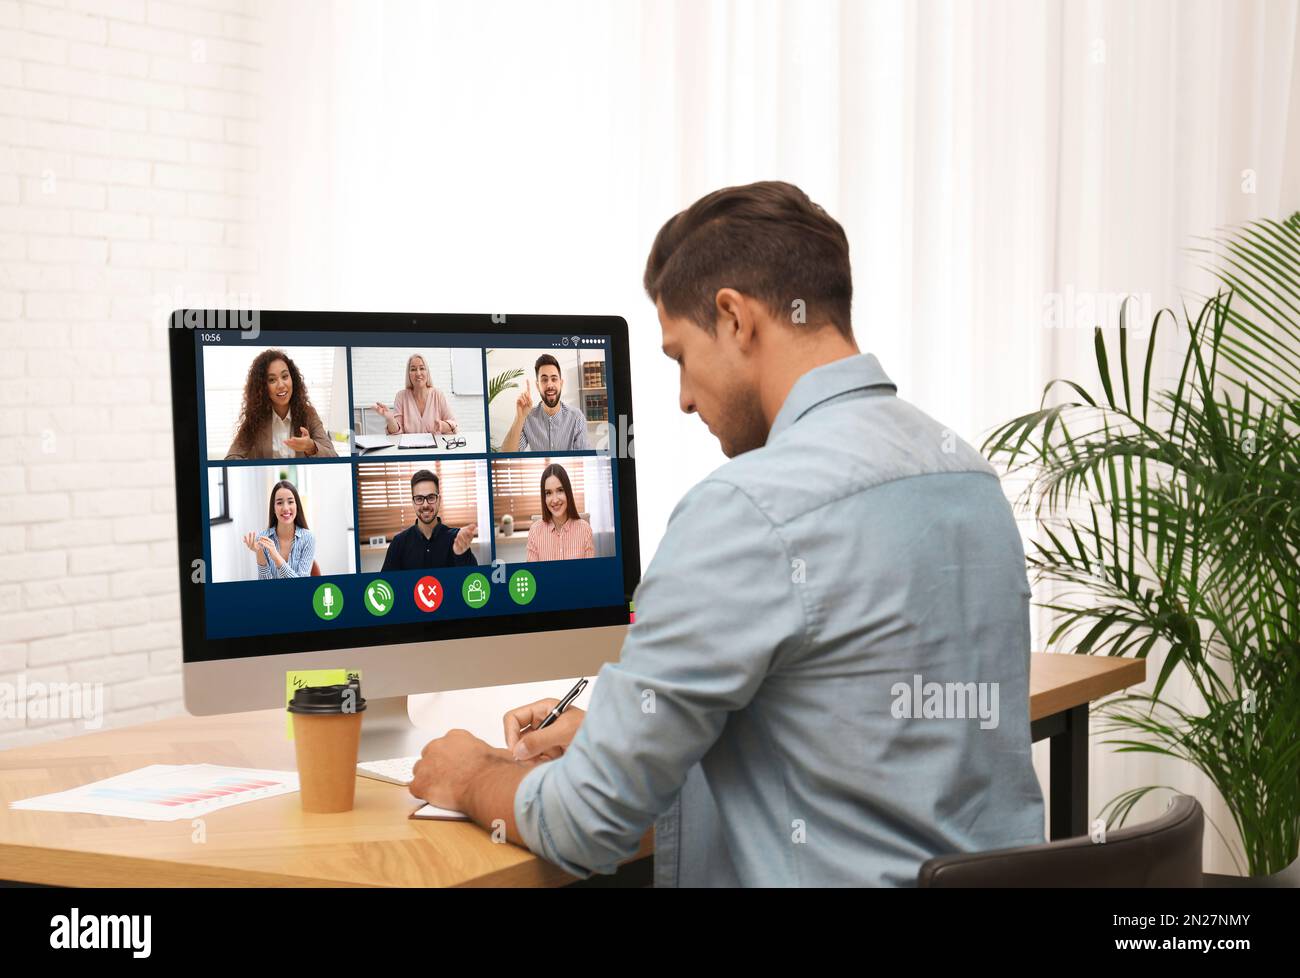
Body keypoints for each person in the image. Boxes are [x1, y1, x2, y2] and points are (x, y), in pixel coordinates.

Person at [409, 181, 1045, 886]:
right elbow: (864, 731)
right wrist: (620, 735)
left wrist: (469, 777)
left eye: (680, 356)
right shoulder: (967, 477)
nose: (682, 398)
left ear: (735, 318)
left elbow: (587, 825)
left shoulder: (747, 508)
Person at [225, 349, 337, 459]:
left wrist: (311, 447)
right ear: (263, 387)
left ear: (292, 378)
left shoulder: (309, 414)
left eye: (285, 376)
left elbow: (334, 456)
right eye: (272, 380)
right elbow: (231, 457)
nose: (281, 385)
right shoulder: (256, 418)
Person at [380, 469, 478, 570]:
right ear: (413, 502)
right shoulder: (399, 543)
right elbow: (385, 584)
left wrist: (461, 554)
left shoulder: (457, 539)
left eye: (431, 497)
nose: (425, 505)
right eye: (419, 499)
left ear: (439, 500)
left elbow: (474, 580)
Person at [500, 355, 591, 452]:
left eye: (554, 379)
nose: (549, 384)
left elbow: (583, 457)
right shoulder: (527, 417)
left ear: (561, 383)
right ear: (537, 385)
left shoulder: (577, 417)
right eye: (544, 380)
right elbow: (506, 454)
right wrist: (519, 417)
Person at [243, 480, 316, 579]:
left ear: (297, 506)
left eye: (290, 502)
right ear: (273, 508)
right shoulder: (263, 539)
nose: (285, 508)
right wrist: (259, 553)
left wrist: (276, 556)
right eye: (279, 503)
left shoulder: (308, 538)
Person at [373, 353, 459, 435]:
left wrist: (442, 426)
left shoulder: (438, 395)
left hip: (435, 448)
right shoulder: (401, 396)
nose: (418, 373)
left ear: (427, 372)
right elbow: (396, 433)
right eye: (413, 369)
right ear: (409, 374)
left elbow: (454, 425)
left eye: (422, 368)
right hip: (410, 449)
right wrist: (390, 419)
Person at [525, 463, 594, 561]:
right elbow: (533, 574)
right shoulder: (535, 531)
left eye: (560, 490)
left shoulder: (585, 530)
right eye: (548, 493)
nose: (555, 500)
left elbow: (590, 573)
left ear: (568, 492)